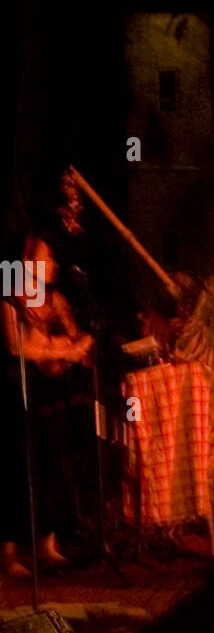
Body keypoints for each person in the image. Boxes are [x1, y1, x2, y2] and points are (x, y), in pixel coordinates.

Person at [0, 234, 94, 578]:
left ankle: (47, 546)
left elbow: (78, 338)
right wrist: (58, 350)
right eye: (47, 256)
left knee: (51, 464)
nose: (53, 263)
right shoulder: (11, 299)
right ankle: (8, 554)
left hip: (50, 393)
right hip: (15, 392)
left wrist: (74, 345)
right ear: (27, 262)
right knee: (14, 469)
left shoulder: (56, 300)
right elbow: (16, 346)